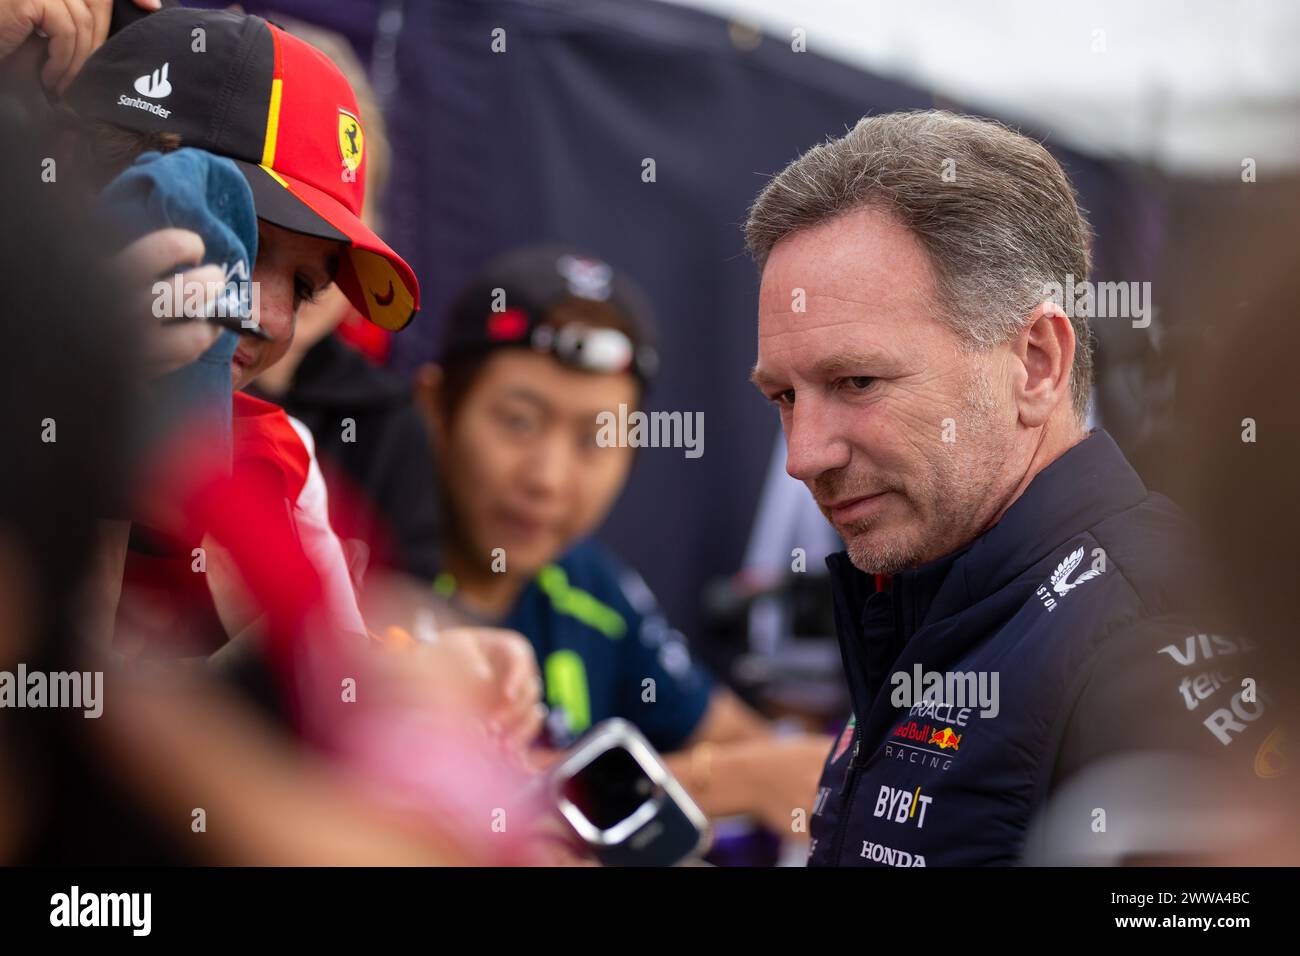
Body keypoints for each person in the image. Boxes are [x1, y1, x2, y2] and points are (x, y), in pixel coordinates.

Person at [743, 109, 1271, 866]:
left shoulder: (1151, 642)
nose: (803, 456)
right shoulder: (934, 595)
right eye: (784, 397)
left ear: (1037, 363)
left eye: (856, 381)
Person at [414, 244, 833, 835]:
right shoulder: (365, 565)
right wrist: (731, 780)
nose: (547, 478)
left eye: (594, 438)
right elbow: (447, 813)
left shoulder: (590, 585)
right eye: (519, 421)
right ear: (435, 408)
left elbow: (752, 745)